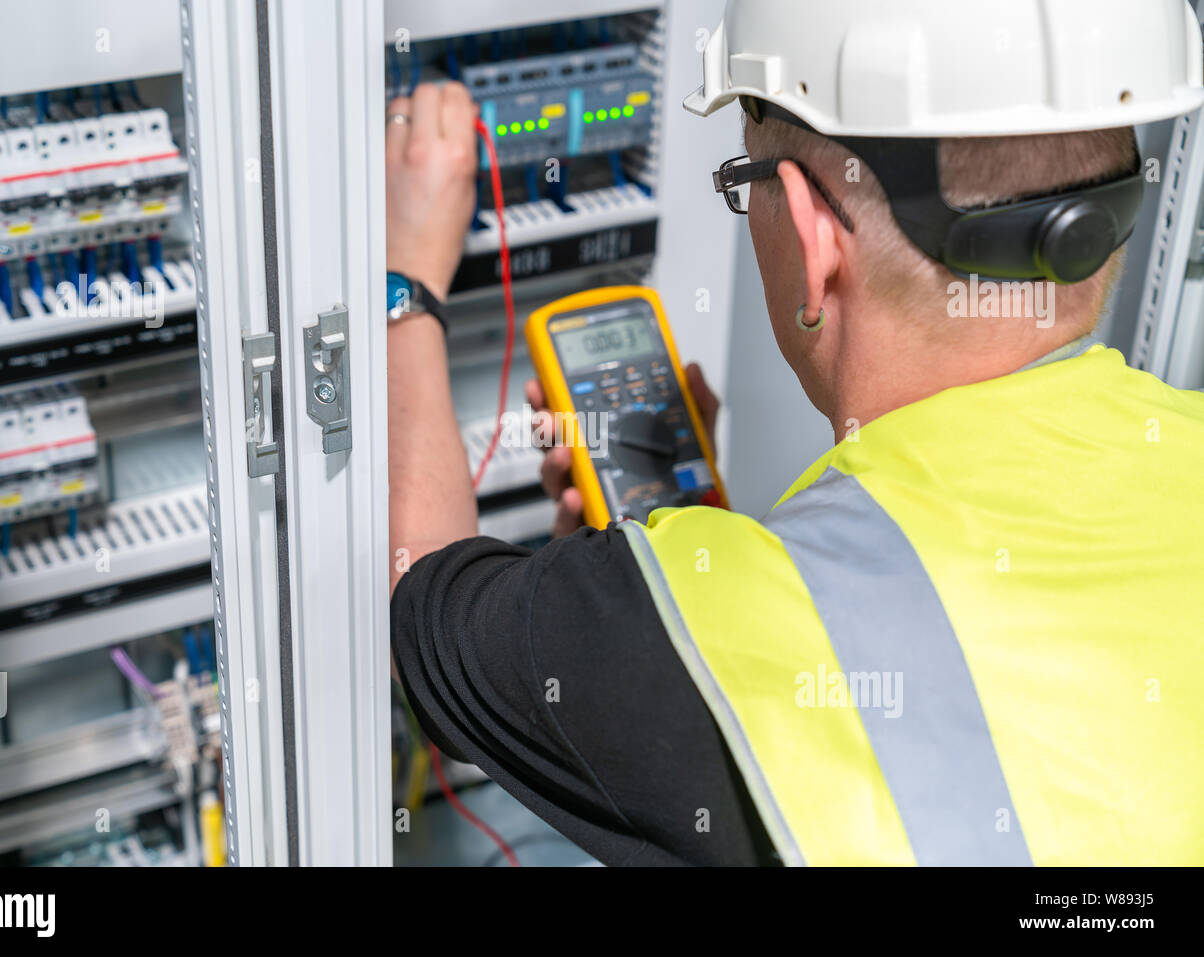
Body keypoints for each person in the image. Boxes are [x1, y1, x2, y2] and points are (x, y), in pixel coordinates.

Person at [385, 0, 1204, 865]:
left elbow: (417, 608)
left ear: (815, 240)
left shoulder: (726, 620)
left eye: (746, 186)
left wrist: (406, 276)